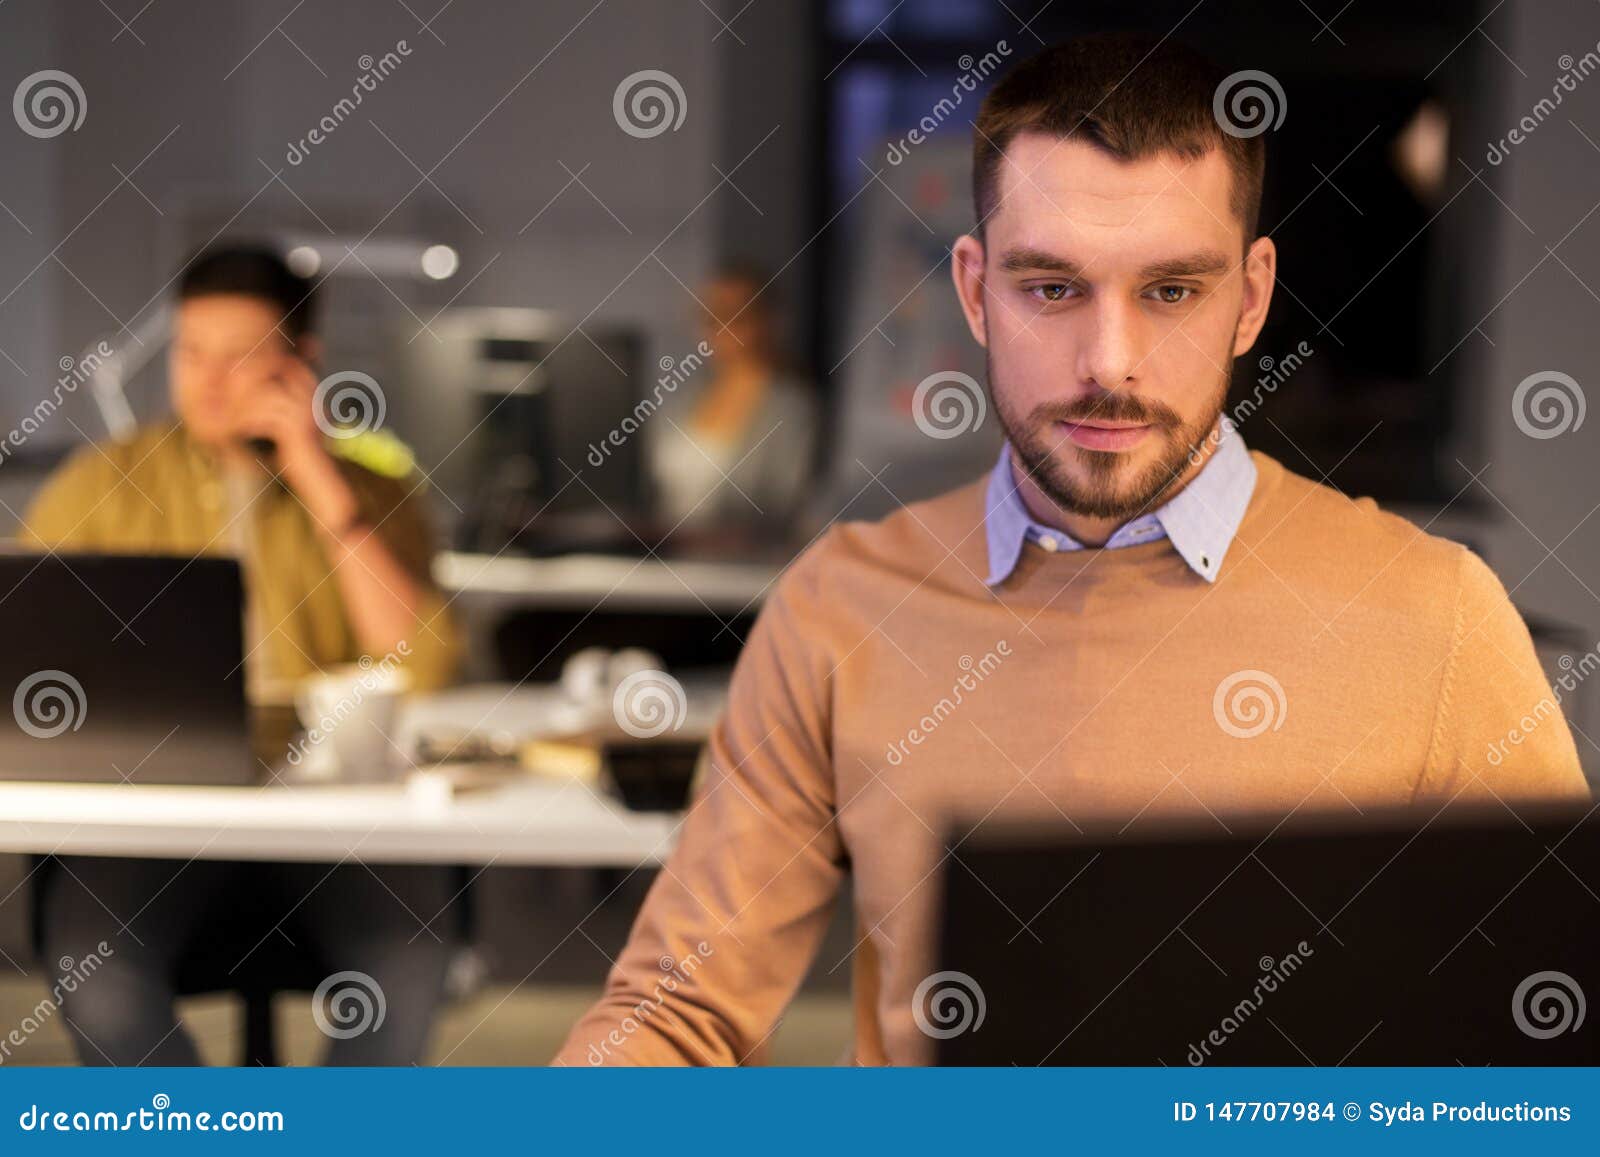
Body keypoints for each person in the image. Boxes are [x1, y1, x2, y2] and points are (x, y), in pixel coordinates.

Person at [554, 33, 1592, 1067]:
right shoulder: (838, 603)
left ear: (1250, 296)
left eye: (1171, 290)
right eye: (1051, 287)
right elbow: (676, 1014)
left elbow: (1547, 1050)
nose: (1108, 363)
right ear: (973, 289)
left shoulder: (1434, 616)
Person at [18, 244, 462, 1065]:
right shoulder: (104, 481)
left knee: (411, 957)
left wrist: (321, 483)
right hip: (158, 809)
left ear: (303, 363)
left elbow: (424, 661)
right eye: (191, 353)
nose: (208, 380)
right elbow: (24, 649)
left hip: (336, 814)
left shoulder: (374, 486)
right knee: (98, 974)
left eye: (240, 358)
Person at [646, 264, 818, 536]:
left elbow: (784, 503)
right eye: (709, 318)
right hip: (667, 555)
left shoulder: (793, 408)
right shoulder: (683, 399)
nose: (721, 330)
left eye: (736, 317)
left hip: (742, 563)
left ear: (767, 322)